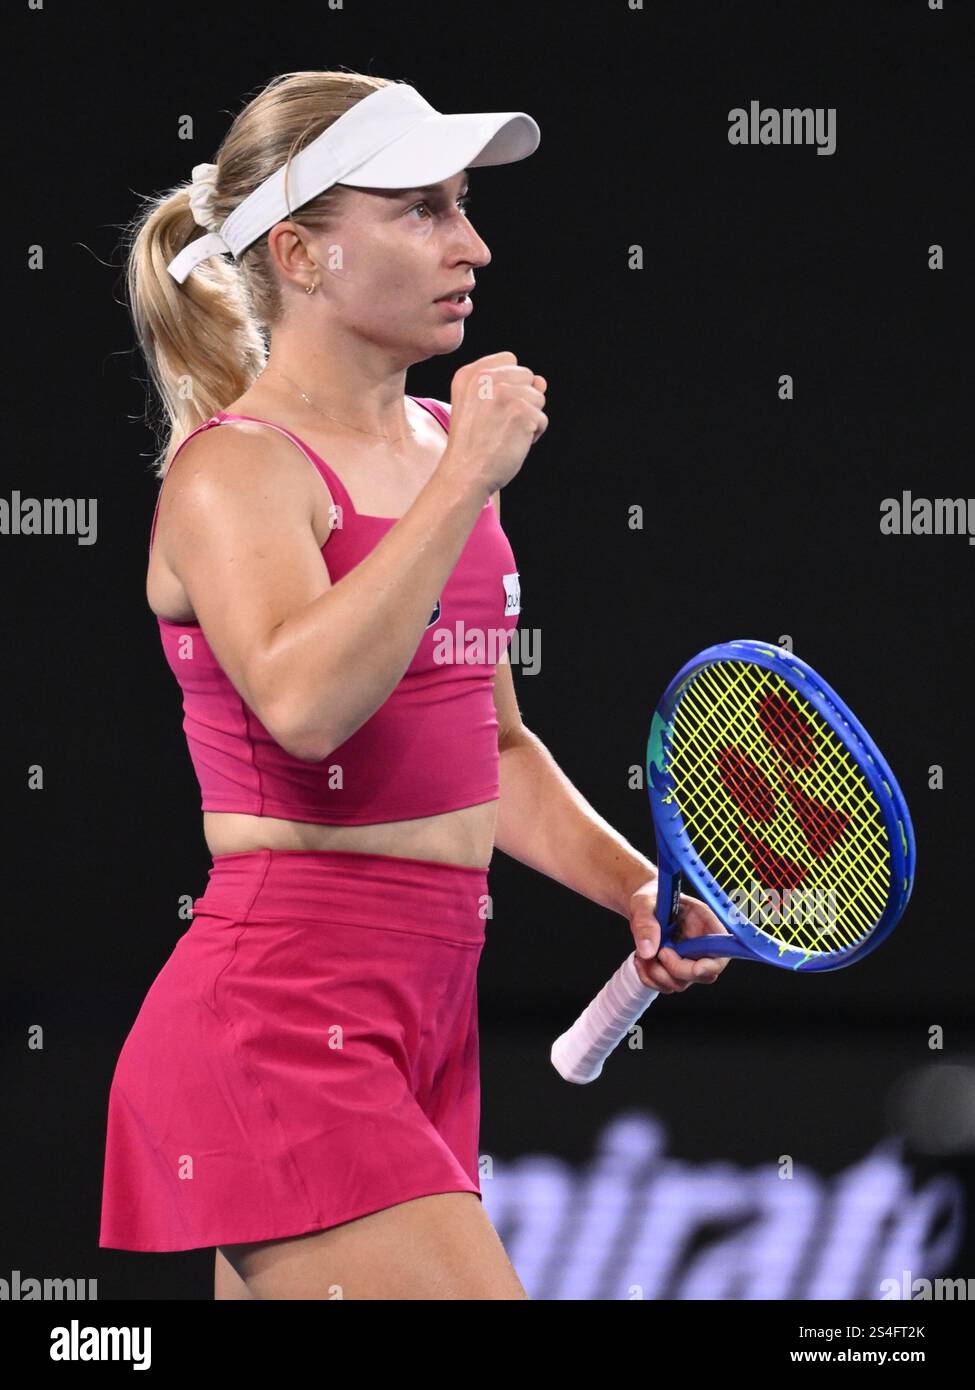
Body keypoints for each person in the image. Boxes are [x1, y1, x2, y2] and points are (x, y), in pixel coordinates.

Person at [99, 70, 731, 1301]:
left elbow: (488, 751)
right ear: (303, 254)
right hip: (279, 1023)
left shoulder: (444, 448)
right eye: (426, 209)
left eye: (462, 206)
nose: (474, 243)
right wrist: (463, 489)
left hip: (424, 1014)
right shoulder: (234, 476)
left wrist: (636, 887)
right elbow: (303, 702)